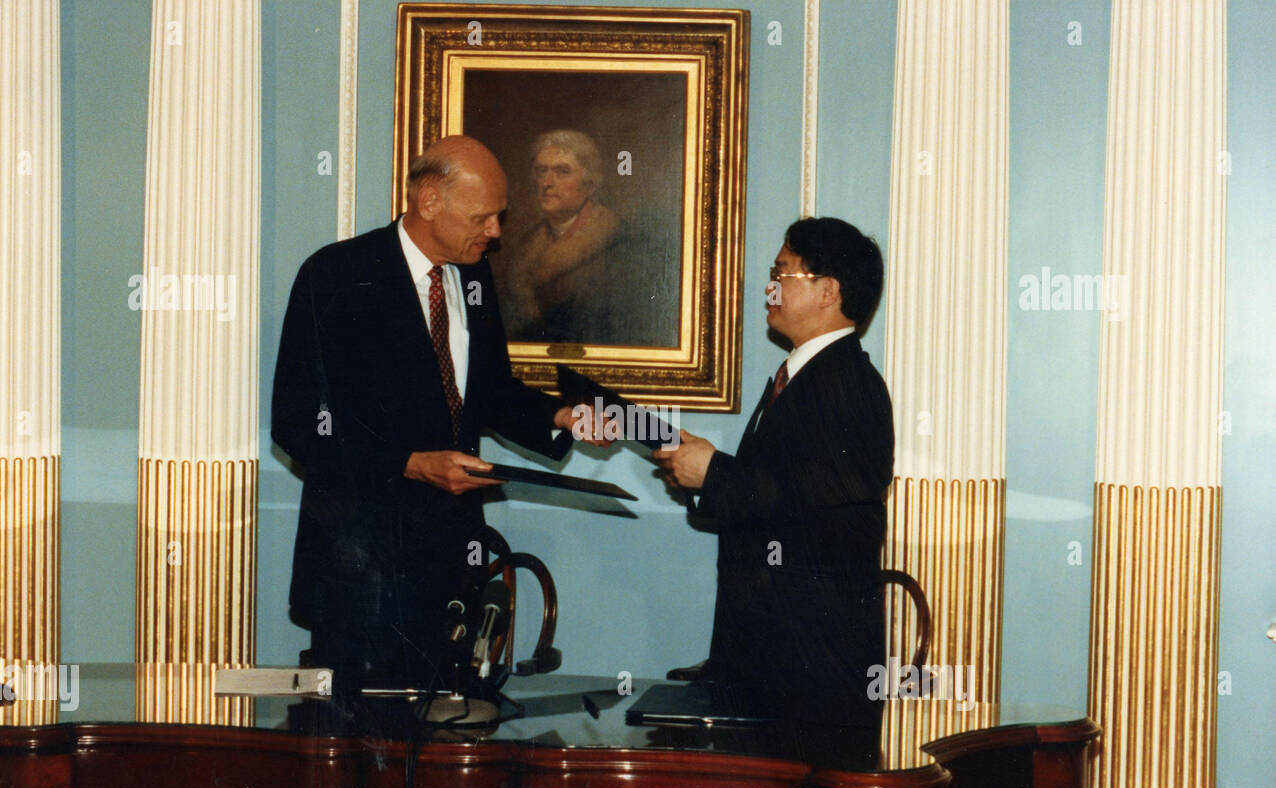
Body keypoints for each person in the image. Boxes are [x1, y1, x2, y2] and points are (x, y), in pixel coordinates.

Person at [271, 135, 606, 699]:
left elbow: (491, 390)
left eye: (500, 217)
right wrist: (411, 464)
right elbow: (299, 422)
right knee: (357, 757)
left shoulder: (473, 278)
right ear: (429, 202)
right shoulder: (336, 276)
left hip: (450, 562)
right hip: (360, 569)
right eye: (484, 217)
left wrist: (561, 417)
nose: (497, 232)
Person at [653, 217, 894, 726]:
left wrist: (716, 474)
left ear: (827, 290)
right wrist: (702, 473)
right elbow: (789, 492)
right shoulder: (799, 376)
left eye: (782, 272)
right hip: (769, 660)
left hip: (811, 672)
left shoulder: (850, 385)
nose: (770, 285)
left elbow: (835, 519)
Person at [497, 129, 624, 344]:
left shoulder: (616, 247)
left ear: (589, 184)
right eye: (541, 171)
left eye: (562, 171)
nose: (547, 182)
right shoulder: (525, 247)